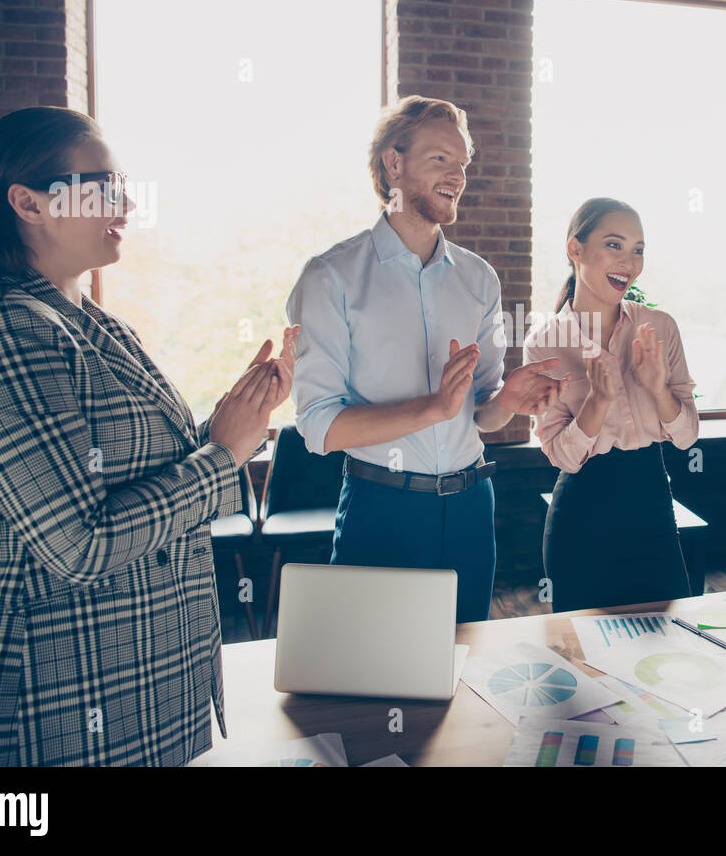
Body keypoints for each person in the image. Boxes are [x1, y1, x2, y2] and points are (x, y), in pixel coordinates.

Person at [0, 106, 296, 766]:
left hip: (151, 693)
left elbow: (147, 468)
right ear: (27, 202)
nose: (125, 201)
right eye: (102, 184)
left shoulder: (98, 324)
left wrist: (238, 414)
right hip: (69, 711)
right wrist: (223, 454)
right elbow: (78, 542)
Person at [286, 95, 564, 624]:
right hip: (382, 509)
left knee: (464, 678)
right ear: (394, 162)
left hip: (470, 509)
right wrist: (431, 408)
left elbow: (482, 414)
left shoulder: (478, 278)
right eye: (440, 159)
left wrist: (507, 400)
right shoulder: (330, 277)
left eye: (462, 164)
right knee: (371, 678)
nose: (457, 175)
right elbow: (320, 428)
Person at [524, 198, 698, 612]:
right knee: (584, 659)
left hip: (653, 505)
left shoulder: (660, 327)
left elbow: (687, 435)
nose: (630, 262)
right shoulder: (545, 343)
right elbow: (562, 456)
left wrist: (658, 389)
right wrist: (597, 403)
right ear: (575, 250)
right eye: (615, 245)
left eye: (638, 249)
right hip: (581, 515)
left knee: (670, 649)